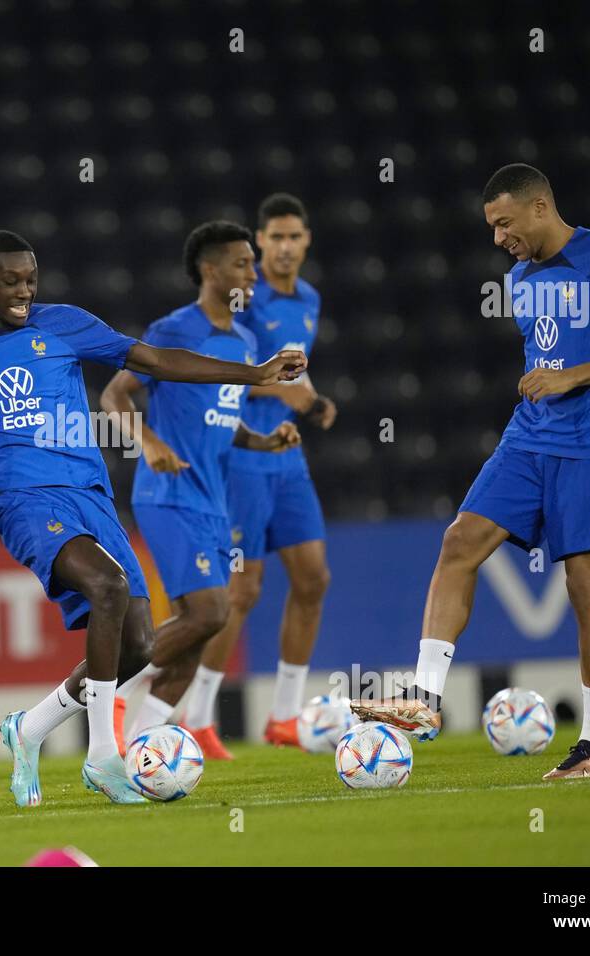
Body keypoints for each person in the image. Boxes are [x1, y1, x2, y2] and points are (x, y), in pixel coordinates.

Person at [0, 229, 306, 807]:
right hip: (27, 502)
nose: (24, 291)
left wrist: (255, 373)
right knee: (108, 586)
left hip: (91, 498)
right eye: (11, 280)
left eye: (31, 280)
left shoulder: (64, 323)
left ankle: (31, 728)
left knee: (139, 646)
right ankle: (103, 758)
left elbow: (157, 360)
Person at [353, 164, 590, 781]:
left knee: (585, 586)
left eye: (504, 224)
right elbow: (548, 354)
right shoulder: (519, 275)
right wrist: (550, 379)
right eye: (492, 227)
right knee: (459, 541)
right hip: (531, 436)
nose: (498, 238)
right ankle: (424, 701)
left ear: (540, 207)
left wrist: (572, 377)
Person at [99, 221, 300, 744]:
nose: (252, 273)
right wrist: (149, 443)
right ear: (209, 271)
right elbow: (114, 396)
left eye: (252, 263)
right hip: (167, 494)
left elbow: (222, 419)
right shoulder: (172, 331)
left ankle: (145, 744)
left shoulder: (246, 340)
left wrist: (263, 441)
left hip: (213, 500)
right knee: (210, 610)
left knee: (209, 622)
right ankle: (112, 694)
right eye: (241, 263)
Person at [185, 194, 337, 757]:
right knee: (242, 589)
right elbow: (216, 371)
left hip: (286, 458)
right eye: (273, 238)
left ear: (306, 241)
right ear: (260, 239)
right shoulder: (242, 298)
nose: (283, 247)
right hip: (241, 456)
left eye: (294, 237)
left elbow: (293, 373)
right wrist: (283, 389)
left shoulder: (311, 300)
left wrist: (313, 401)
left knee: (313, 578)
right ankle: (198, 716)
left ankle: (284, 715)